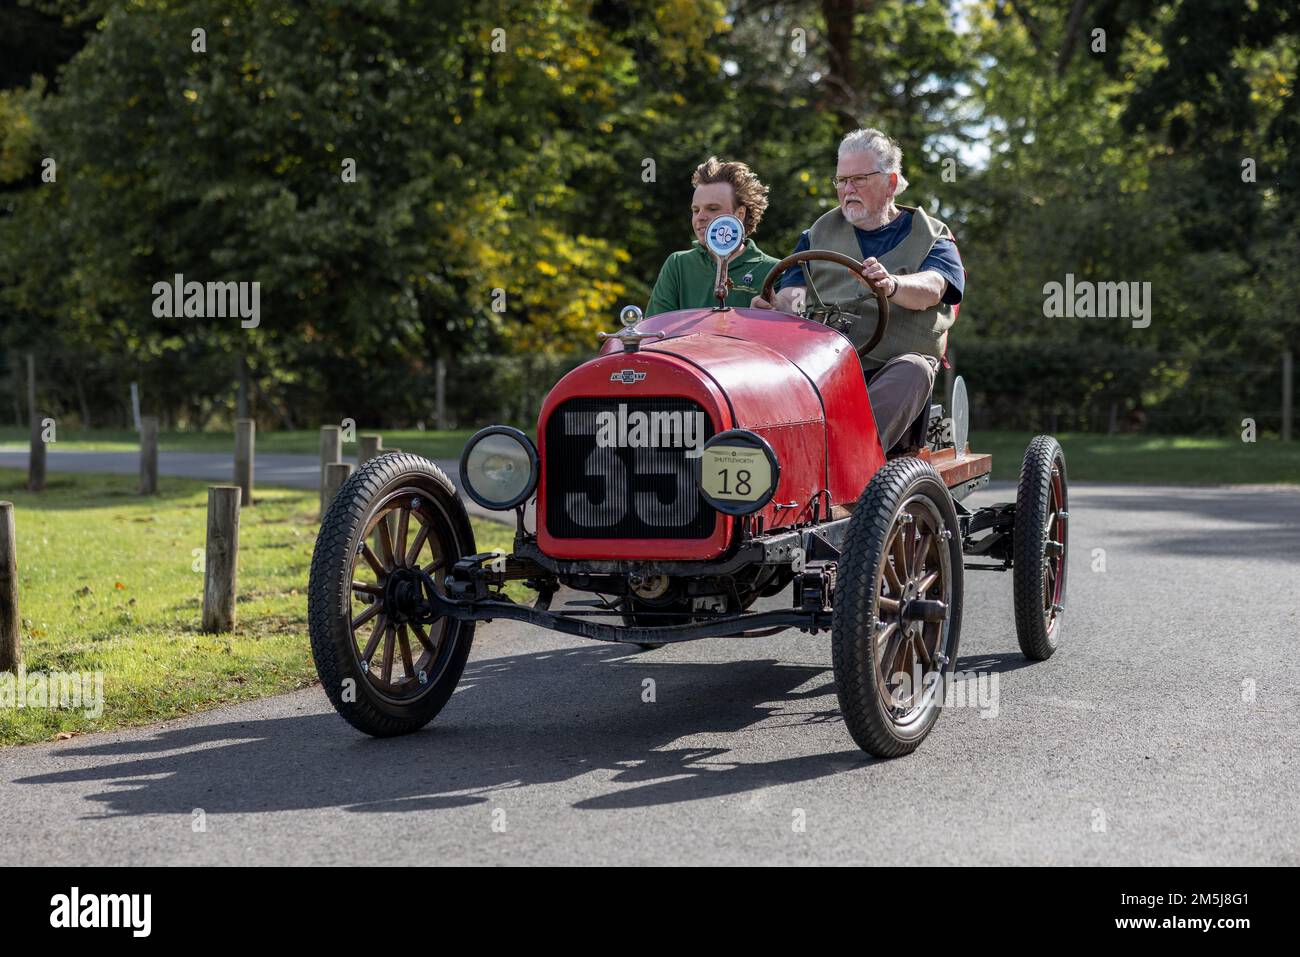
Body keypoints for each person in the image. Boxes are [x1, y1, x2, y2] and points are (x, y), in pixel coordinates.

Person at [752, 128, 965, 452]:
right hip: (823, 367)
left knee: (916, 368)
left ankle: (846, 459)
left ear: (891, 183)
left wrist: (892, 285)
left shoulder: (932, 235)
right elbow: (792, 297)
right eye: (841, 180)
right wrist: (774, 308)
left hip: (890, 371)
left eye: (859, 179)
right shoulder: (816, 235)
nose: (847, 189)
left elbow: (934, 287)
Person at [646, 156, 782, 316]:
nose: (700, 217)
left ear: (740, 214)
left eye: (712, 209)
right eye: (696, 210)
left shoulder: (775, 271)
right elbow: (655, 332)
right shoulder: (678, 264)